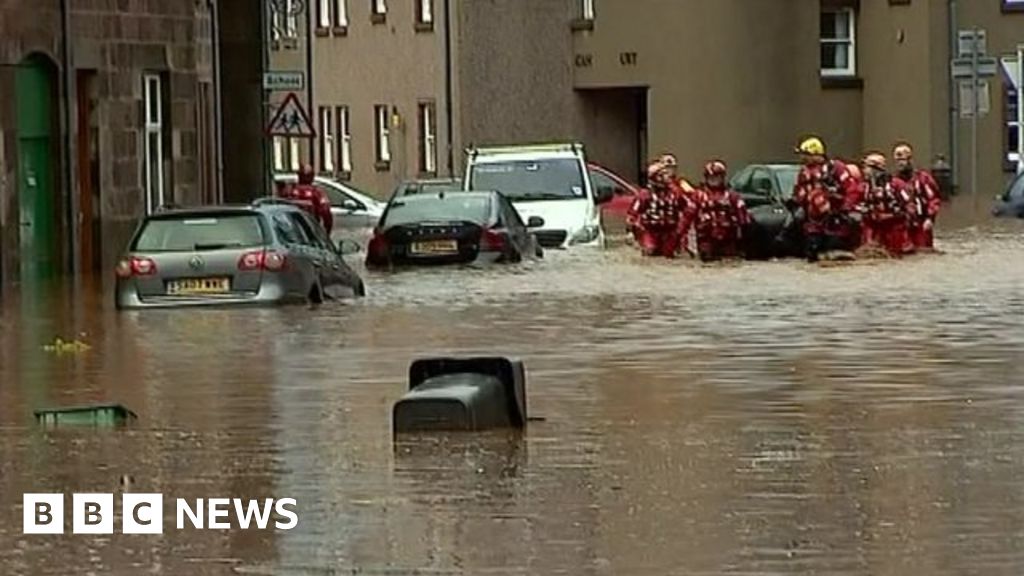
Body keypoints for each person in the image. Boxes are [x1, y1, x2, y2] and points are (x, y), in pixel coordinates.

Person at [789, 137, 862, 261]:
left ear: (815, 154)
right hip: (813, 223)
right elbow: (799, 192)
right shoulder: (804, 172)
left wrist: (845, 208)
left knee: (836, 255)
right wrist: (796, 202)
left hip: (836, 221)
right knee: (812, 252)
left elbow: (852, 189)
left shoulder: (835, 168)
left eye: (805, 154)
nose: (802, 158)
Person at [627, 160, 693, 258]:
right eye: (663, 175)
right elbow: (632, 215)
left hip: (670, 232)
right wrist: (631, 232)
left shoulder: (676, 193)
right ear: (655, 177)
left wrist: (682, 229)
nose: (667, 177)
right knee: (650, 250)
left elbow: (690, 208)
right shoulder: (645, 195)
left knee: (669, 254)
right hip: (650, 231)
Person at [690, 160, 751, 261]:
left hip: (729, 240)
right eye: (711, 178)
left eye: (716, 177)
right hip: (706, 240)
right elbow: (686, 218)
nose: (713, 180)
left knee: (730, 262)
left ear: (722, 178)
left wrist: (744, 244)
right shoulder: (698, 196)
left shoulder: (733, 197)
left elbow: (744, 220)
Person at [860, 152, 914, 257]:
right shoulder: (865, 187)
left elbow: (910, 207)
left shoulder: (896, 185)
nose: (864, 170)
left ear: (876, 169)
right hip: (874, 229)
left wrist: (892, 216)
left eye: (866, 167)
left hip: (895, 229)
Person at [892, 142, 941, 250]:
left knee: (923, 251)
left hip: (921, 222)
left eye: (903, 160)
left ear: (910, 159)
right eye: (898, 160)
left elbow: (933, 199)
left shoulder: (923, 178)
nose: (900, 163)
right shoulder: (893, 182)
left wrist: (930, 218)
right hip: (902, 225)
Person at [278, 164, 334, 235]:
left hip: (291, 231)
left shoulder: (289, 192)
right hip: (310, 230)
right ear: (312, 177)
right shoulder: (316, 192)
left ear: (299, 176)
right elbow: (326, 211)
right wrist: (327, 231)